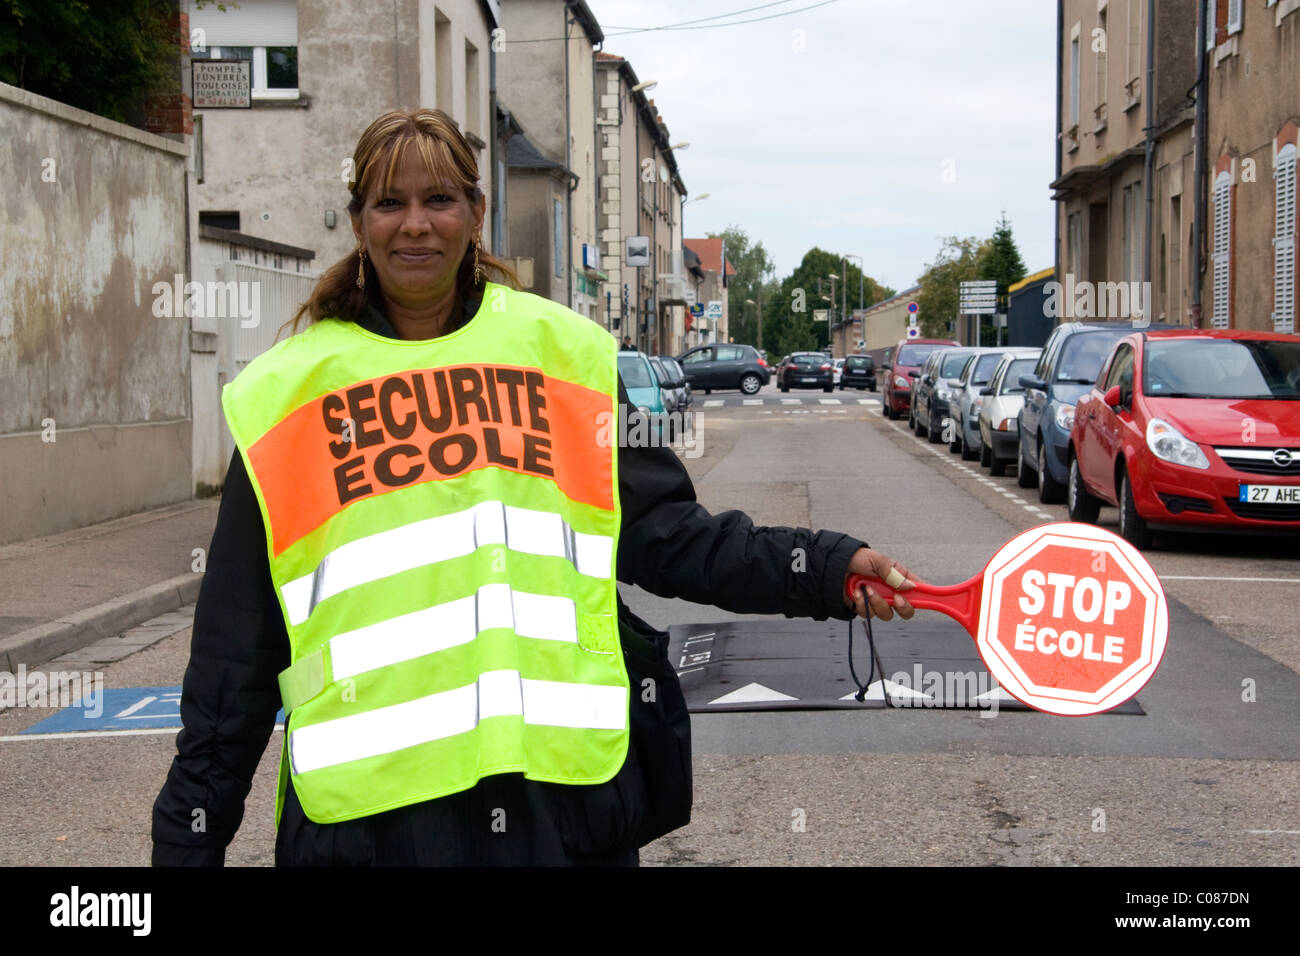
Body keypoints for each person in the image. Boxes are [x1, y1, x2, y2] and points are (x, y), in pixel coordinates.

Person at [151, 108, 915, 867]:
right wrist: (187, 843)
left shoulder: (559, 360)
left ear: (476, 214)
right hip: (368, 831)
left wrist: (824, 567)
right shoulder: (291, 395)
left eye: (439, 199)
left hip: (555, 812)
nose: (415, 225)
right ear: (359, 222)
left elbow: (671, 538)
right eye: (390, 202)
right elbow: (231, 665)